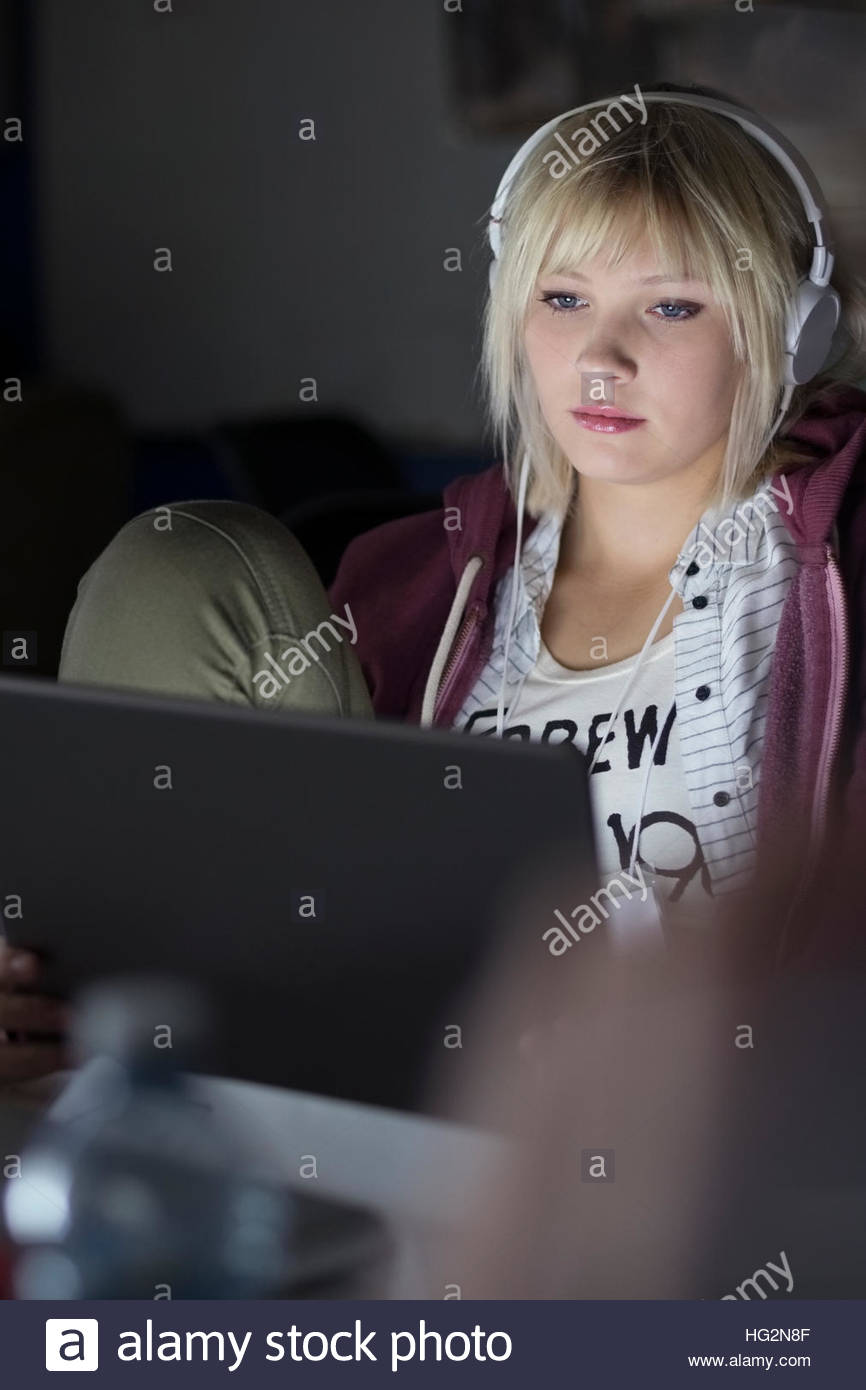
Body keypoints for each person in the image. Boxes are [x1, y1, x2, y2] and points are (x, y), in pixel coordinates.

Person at [2, 82, 866, 1086]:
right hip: (419, 1101)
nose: (600, 357)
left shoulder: (841, 561)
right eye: (563, 298)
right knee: (171, 560)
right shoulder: (408, 583)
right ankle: (102, 1075)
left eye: (671, 305)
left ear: (790, 328)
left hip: (730, 1130)